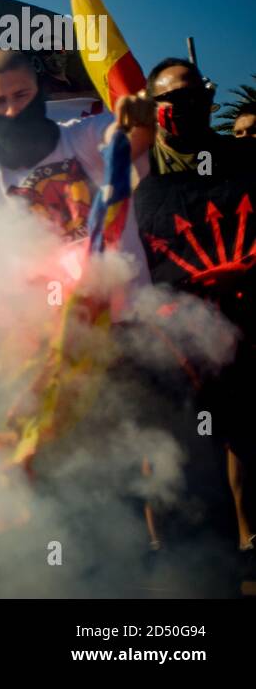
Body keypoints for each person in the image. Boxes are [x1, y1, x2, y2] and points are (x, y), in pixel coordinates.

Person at [132, 58, 256, 562]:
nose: (185, 108)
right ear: (153, 109)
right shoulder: (139, 184)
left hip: (249, 342)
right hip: (177, 356)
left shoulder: (247, 162)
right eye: (171, 100)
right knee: (190, 479)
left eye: (194, 96)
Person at [0, 47, 155, 289]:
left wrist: (138, 123)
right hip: (48, 321)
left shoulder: (86, 134)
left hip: (131, 311)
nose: (12, 110)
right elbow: (3, 252)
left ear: (39, 90)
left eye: (21, 95)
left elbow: (124, 138)